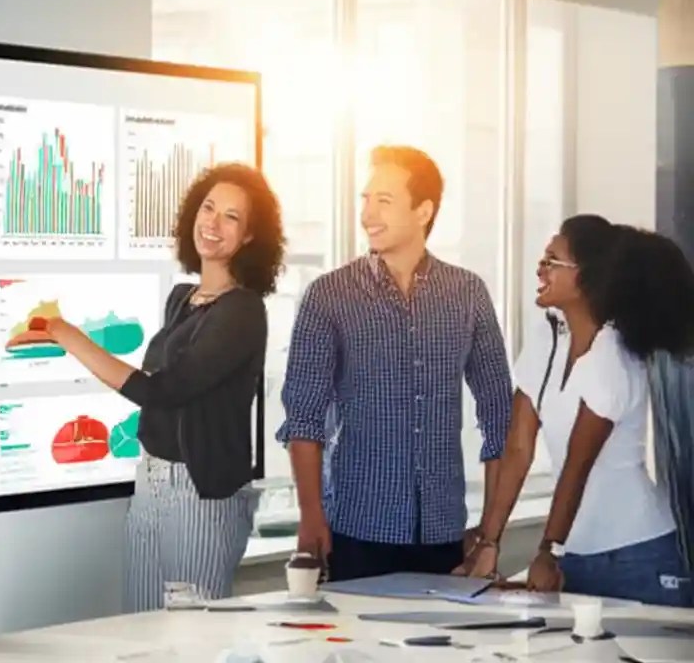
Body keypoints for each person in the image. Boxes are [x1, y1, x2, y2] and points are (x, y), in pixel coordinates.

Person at [42, 162, 285, 612]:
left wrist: (68, 336)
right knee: (142, 630)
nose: (213, 223)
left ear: (251, 235)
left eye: (231, 217)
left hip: (199, 492)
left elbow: (164, 391)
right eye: (208, 208)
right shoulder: (182, 299)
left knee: (192, 636)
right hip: (151, 480)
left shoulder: (243, 311)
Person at [276, 145, 513, 582]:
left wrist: (491, 535)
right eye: (366, 199)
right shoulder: (328, 296)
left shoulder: (468, 294)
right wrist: (310, 518)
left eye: (384, 201)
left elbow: (500, 417)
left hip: (444, 534)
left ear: (424, 211)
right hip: (355, 532)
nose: (367, 214)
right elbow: (304, 419)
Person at [454, 215, 694, 607]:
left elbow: (577, 465)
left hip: (639, 557)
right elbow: (518, 449)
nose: (540, 268)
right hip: (576, 553)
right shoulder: (545, 339)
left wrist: (549, 550)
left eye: (552, 261)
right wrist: (488, 540)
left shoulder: (614, 354)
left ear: (586, 276)